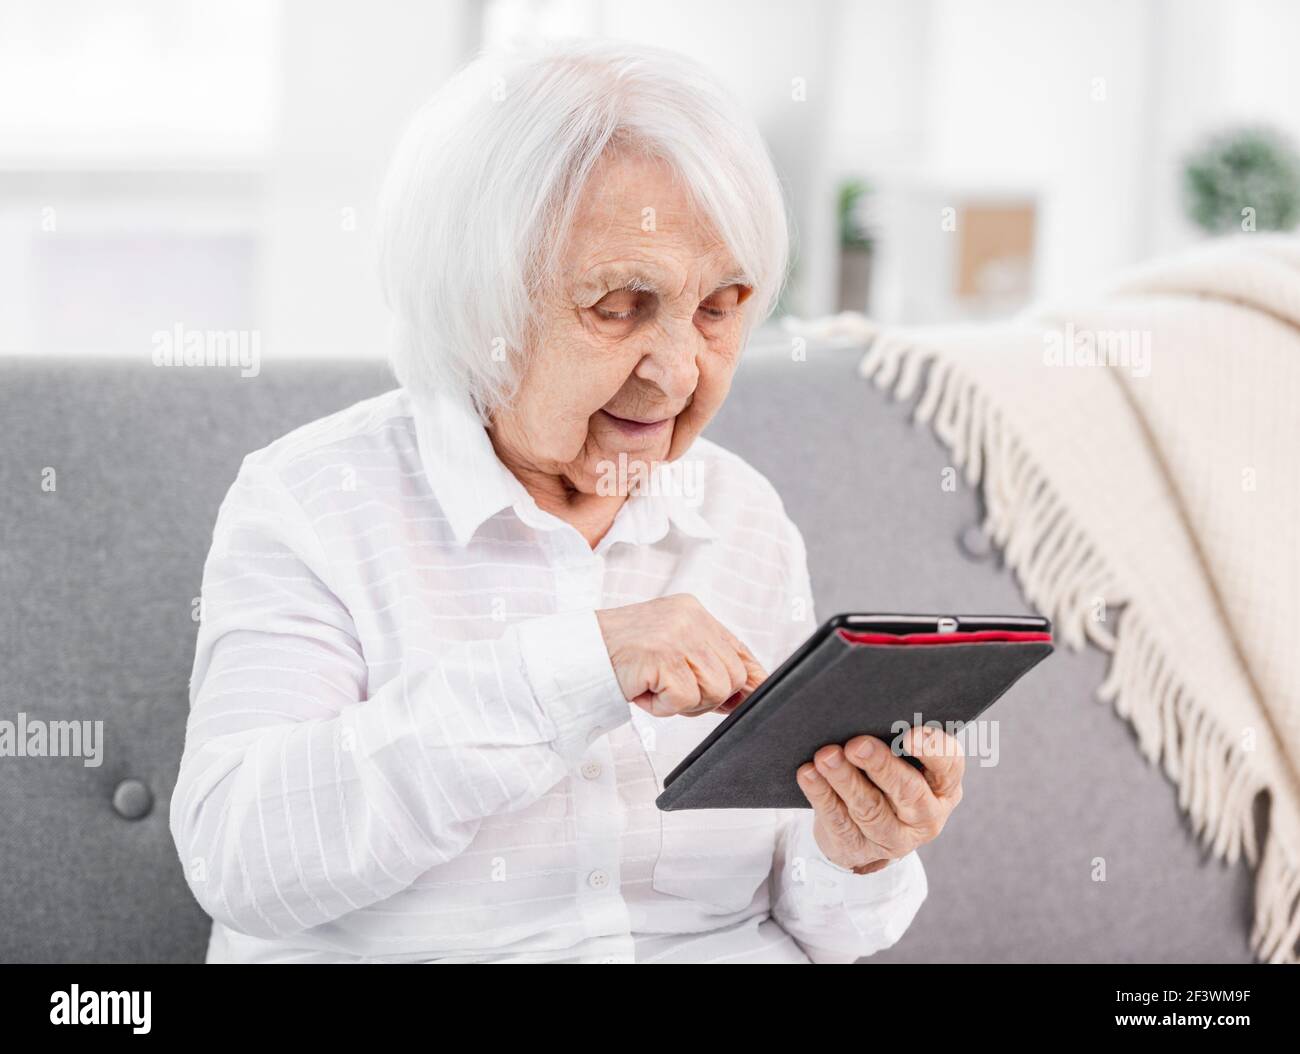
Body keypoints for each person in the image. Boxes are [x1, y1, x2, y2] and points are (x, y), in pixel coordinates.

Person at [169, 37, 963, 964]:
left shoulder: (743, 515)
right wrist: (575, 665)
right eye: (621, 304)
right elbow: (240, 858)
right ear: (477, 303)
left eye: (720, 306)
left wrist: (855, 848)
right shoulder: (313, 503)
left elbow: (818, 923)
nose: (676, 373)